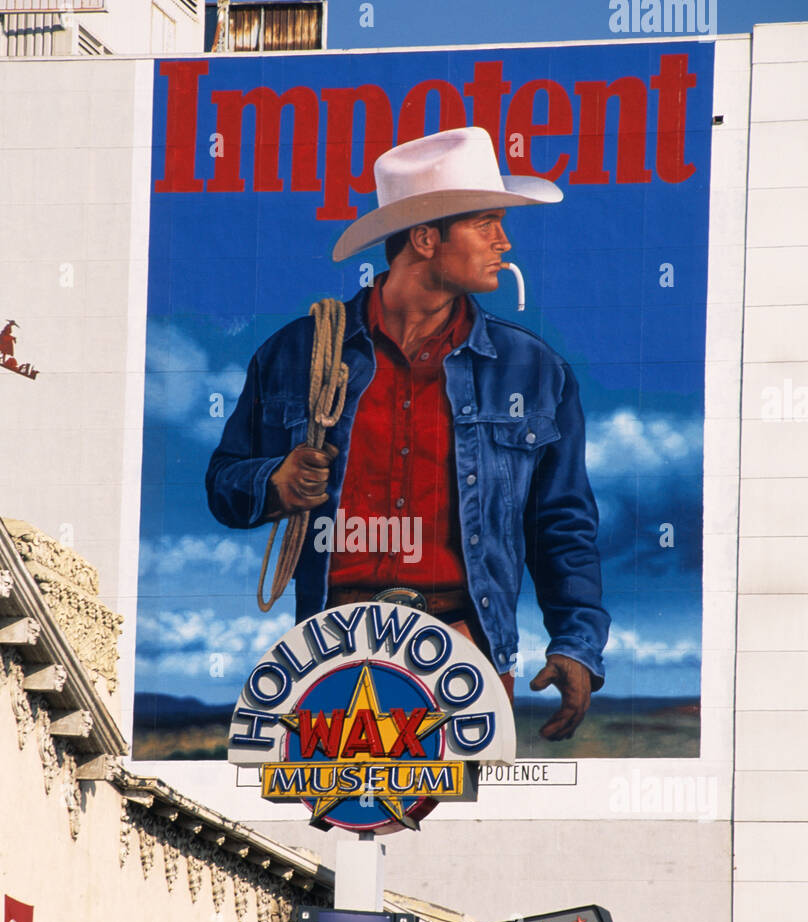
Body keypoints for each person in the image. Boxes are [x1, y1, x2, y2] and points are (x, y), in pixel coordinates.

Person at [206, 128, 609, 740]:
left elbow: (562, 521)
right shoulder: (296, 352)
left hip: (464, 653)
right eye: (486, 224)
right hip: (327, 655)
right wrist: (275, 482)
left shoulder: (533, 370)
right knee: (339, 827)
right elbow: (223, 485)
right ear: (425, 238)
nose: (504, 242)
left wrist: (576, 643)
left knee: (458, 835)